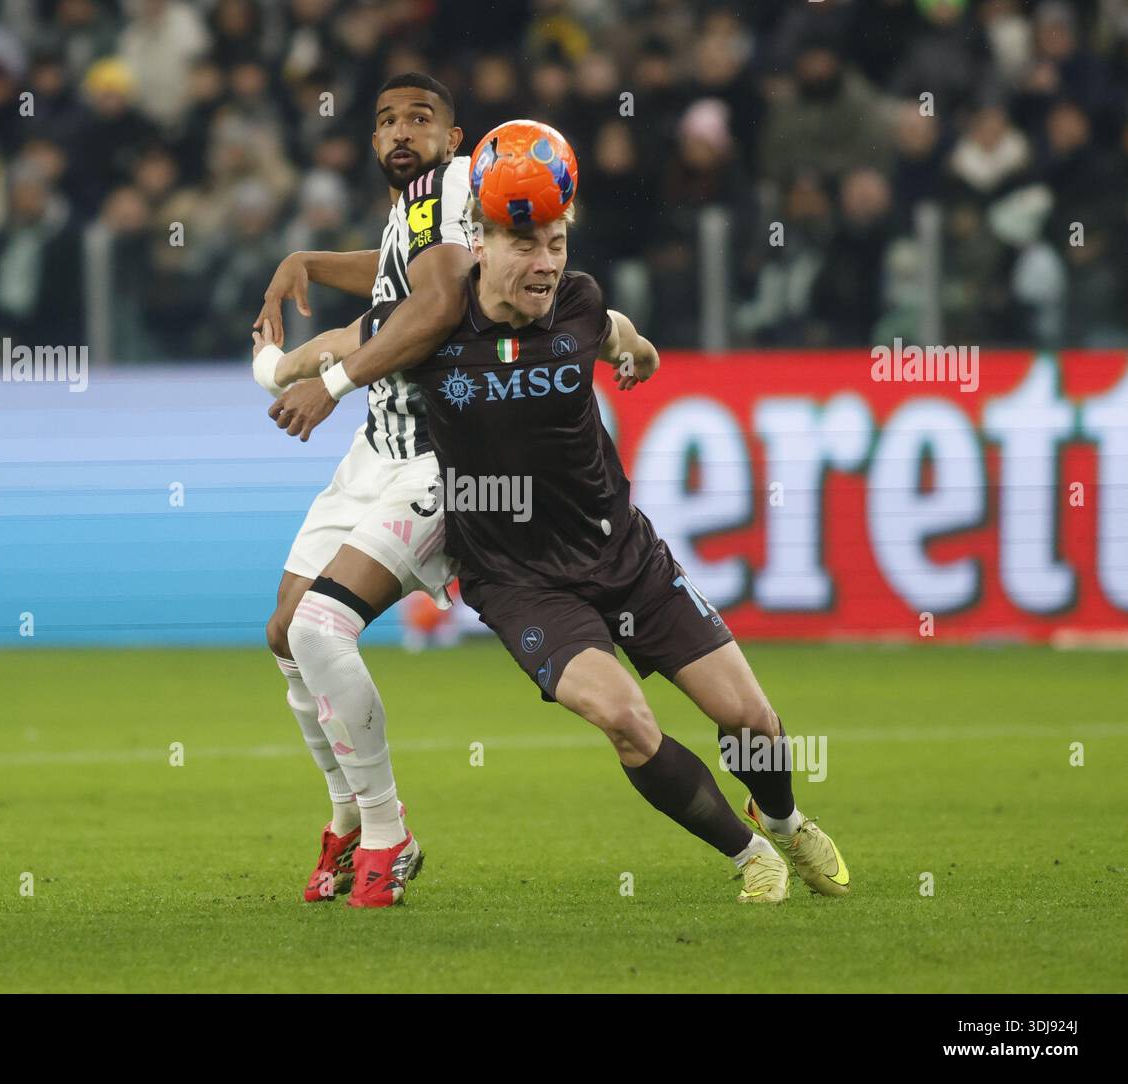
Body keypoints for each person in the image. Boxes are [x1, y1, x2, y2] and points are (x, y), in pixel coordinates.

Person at [266, 200, 852, 904]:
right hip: (520, 582)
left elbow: (622, 337)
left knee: (750, 720)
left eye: (557, 243)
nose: (545, 263)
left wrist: (642, 356)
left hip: (623, 557)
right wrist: (278, 366)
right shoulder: (431, 324)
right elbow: (341, 341)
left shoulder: (578, 303)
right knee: (625, 720)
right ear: (479, 245)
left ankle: (785, 819)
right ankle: (750, 854)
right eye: (526, 246)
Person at [251, 73, 474, 908]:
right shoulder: (412, 209)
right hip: (378, 450)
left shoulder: (450, 190)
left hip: (436, 458)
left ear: (455, 138)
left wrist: (331, 380)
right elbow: (390, 284)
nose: (400, 130)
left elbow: (439, 304)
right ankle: (347, 818)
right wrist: (308, 260)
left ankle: (387, 830)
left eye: (421, 117)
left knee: (319, 627)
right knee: (284, 632)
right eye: (385, 120)